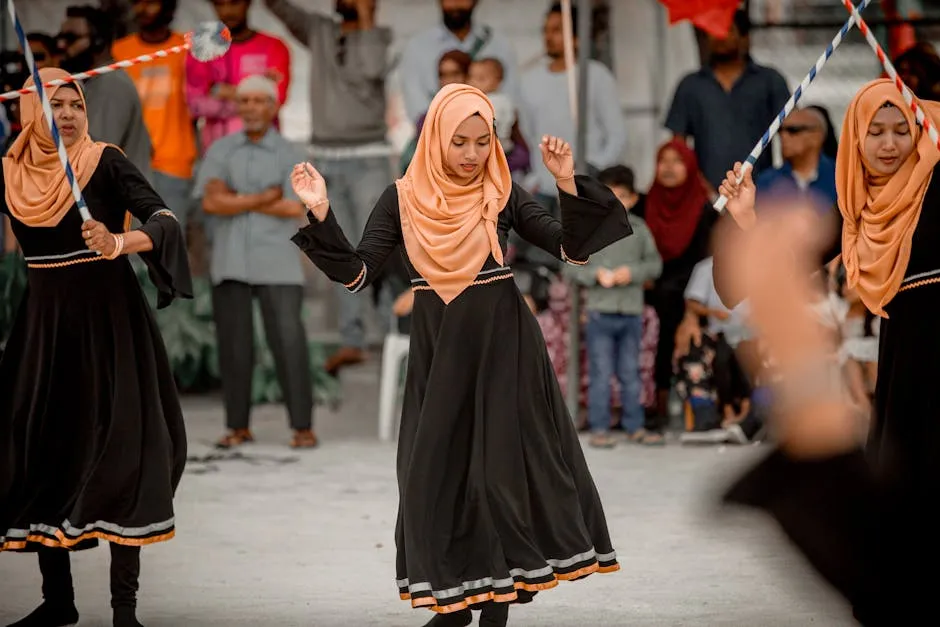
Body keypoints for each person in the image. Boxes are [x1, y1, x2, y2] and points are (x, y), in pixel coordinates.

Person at [289, 84, 625, 626]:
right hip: (439, 348)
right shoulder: (400, 198)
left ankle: (493, 605)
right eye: (459, 142)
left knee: (499, 474)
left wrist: (565, 181)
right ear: (434, 139)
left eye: (481, 141)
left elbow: (571, 248)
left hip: (503, 345)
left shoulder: (502, 190)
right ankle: (453, 601)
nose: (471, 155)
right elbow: (357, 273)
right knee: (431, 474)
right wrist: (321, 210)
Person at [714, 78, 940, 625]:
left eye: (901, 130)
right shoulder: (858, 211)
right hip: (909, 358)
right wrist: (745, 218)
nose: (888, 144)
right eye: (874, 132)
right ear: (855, 140)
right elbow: (756, 277)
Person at [0, 68, 191, 627]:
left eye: (74, 104)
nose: (66, 115)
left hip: (110, 328)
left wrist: (117, 241)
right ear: (27, 113)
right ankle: (58, 601)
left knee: (119, 452)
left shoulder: (104, 159)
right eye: (52, 105)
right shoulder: (10, 173)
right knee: (40, 451)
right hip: (44, 329)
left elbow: (163, 219)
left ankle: (124, 611)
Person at [264, 0, 395, 375]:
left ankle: (391, 334)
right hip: (325, 158)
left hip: (369, 157)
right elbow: (282, 11)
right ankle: (353, 340)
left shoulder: (379, 37)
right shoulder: (321, 31)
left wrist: (367, 14)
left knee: (379, 247)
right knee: (342, 248)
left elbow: (370, 69)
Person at [193, 75, 315, 450]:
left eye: (259, 101)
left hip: (278, 261)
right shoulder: (221, 149)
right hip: (230, 261)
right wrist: (264, 197)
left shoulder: (290, 153)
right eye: (244, 101)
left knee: (289, 343)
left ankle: (302, 427)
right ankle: (237, 426)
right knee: (234, 347)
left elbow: (296, 205)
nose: (250, 108)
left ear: (273, 106)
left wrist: (236, 197)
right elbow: (210, 202)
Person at [636, 139, 718, 444]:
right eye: (663, 161)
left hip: (689, 294)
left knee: (673, 315)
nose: (669, 168)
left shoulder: (705, 209)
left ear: (691, 167)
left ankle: (689, 404)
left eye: (677, 161)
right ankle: (649, 406)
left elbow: (708, 261)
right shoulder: (644, 205)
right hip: (648, 289)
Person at [113, 0, 197, 236]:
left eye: (151, 2)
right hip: (131, 165)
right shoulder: (120, 51)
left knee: (169, 246)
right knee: (132, 249)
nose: (142, 9)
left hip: (174, 164)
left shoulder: (186, 47)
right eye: (138, 2)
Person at [58, 4, 153, 180]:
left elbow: (92, 155)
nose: (61, 45)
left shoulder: (111, 85)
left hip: (120, 204)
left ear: (98, 41)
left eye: (71, 38)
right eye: (60, 37)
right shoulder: (95, 82)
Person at [186, 0, 291, 155]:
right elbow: (196, 105)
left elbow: (273, 104)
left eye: (234, 3)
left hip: (264, 155)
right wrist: (255, 95)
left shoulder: (274, 47)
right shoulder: (202, 50)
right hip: (217, 156)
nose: (227, 11)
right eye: (220, 4)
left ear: (248, 3)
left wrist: (217, 89)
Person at [398, 0, 519, 123]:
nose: (455, 4)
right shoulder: (418, 46)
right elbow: (416, 104)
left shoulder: (498, 44)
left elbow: (510, 97)